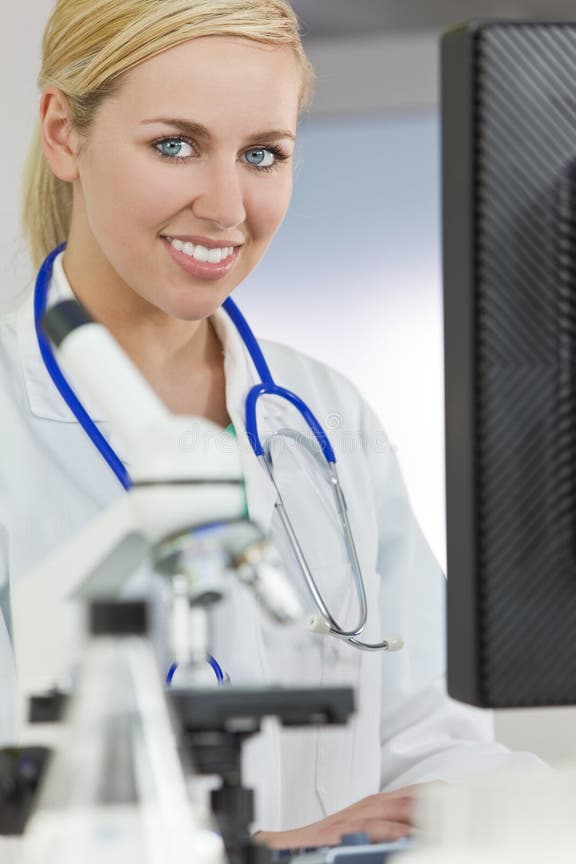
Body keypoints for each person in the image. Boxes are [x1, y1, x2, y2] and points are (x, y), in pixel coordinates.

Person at [0, 0, 541, 850]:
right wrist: (263, 851)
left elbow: (432, 738)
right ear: (65, 134)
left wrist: (510, 813)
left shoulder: (327, 417)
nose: (226, 205)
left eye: (263, 154)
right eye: (174, 144)